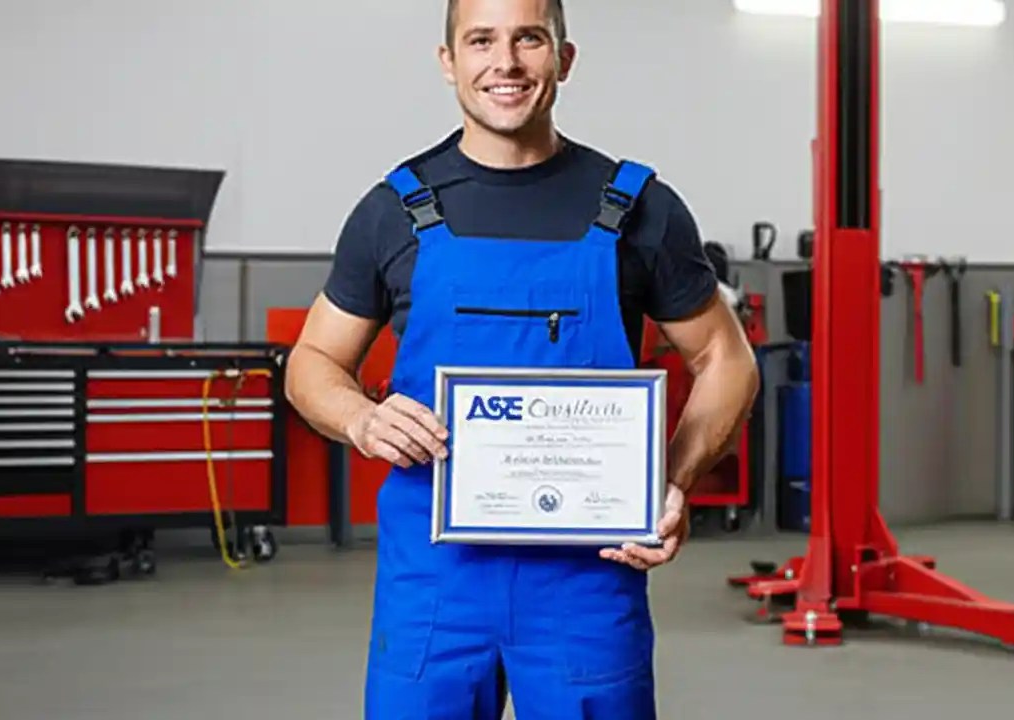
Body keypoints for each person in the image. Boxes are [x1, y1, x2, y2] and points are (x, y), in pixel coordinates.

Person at [285, 0, 759, 716]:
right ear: (449, 62)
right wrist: (361, 418)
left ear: (564, 59)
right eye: (480, 41)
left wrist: (667, 481)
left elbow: (728, 358)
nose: (504, 63)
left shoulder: (639, 208)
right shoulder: (394, 211)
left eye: (528, 39)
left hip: (587, 579)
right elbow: (312, 360)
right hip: (436, 580)